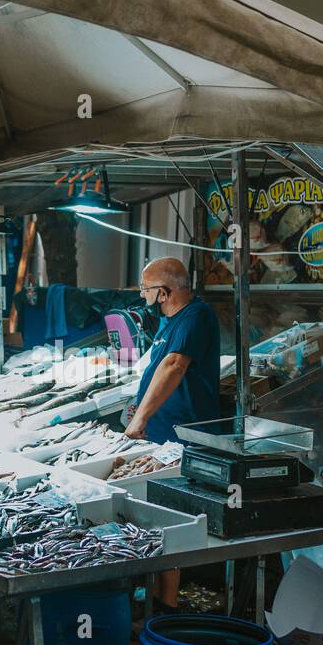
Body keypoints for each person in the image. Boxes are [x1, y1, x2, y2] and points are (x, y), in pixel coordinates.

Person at [123, 256, 221, 613]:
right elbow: (156, 367)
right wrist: (138, 408)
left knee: (170, 520)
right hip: (159, 436)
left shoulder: (195, 317)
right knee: (153, 517)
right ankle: (151, 598)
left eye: (146, 289)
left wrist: (140, 419)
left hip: (182, 437)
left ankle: (166, 606)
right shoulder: (169, 322)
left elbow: (174, 365)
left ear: (163, 292)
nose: (142, 295)